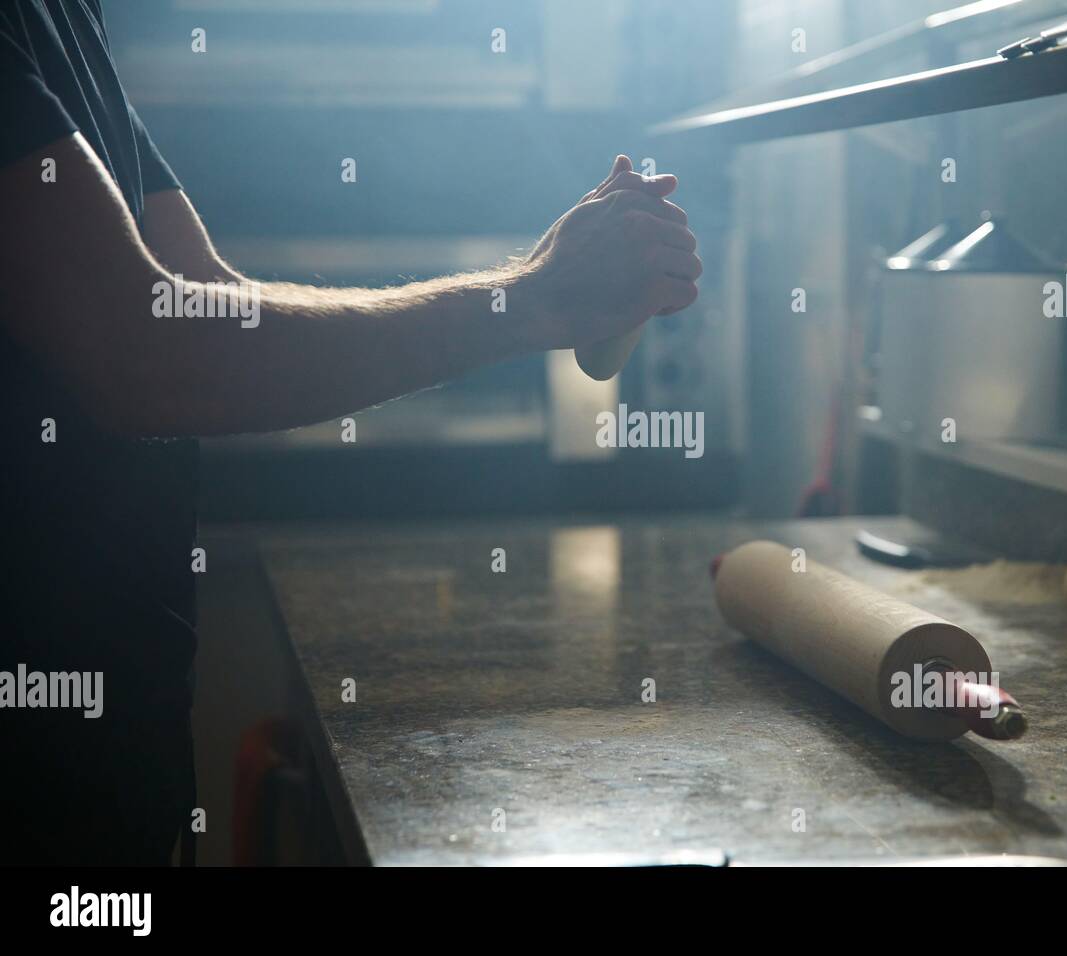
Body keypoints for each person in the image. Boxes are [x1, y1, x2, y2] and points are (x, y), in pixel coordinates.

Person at [0, 0, 701, 865]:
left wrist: (532, 285)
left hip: (123, 741)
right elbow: (143, 348)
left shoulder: (65, 15)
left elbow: (195, 288)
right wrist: (527, 298)